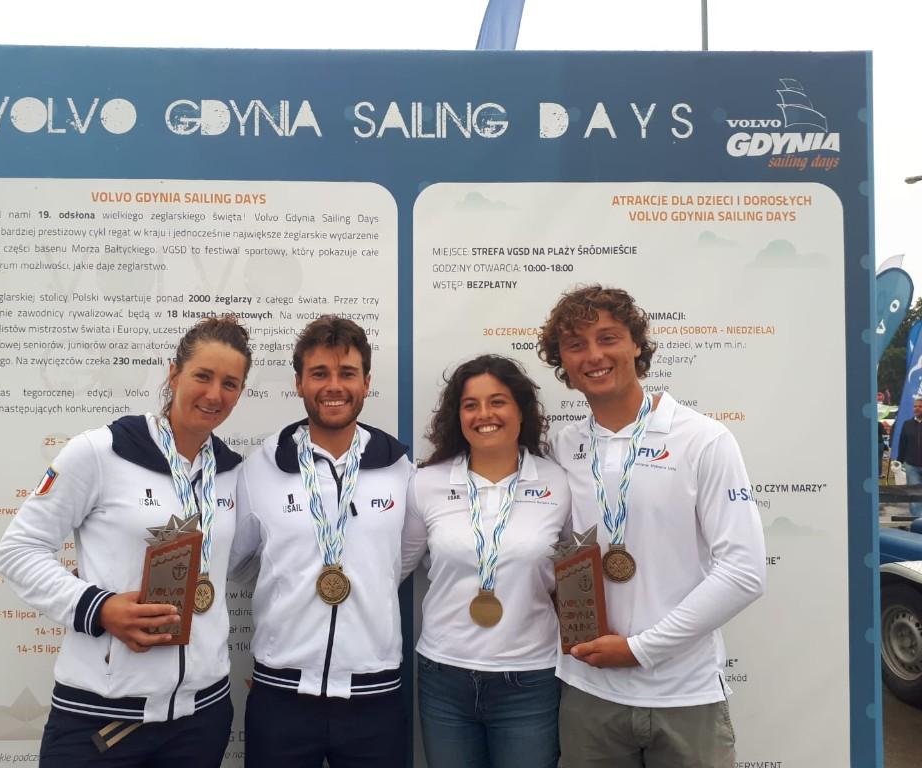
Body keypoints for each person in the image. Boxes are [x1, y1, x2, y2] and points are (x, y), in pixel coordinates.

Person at [0, 316, 252, 767]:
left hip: (201, 716)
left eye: (230, 383)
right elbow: (18, 550)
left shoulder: (232, 473)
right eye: (202, 376)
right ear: (173, 374)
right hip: (101, 719)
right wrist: (98, 607)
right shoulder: (100, 452)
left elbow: (245, 562)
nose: (215, 394)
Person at [537, 285, 766, 768]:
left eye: (608, 338)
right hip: (588, 693)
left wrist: (641, 650)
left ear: (637, 345)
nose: (594, 355)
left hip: (685, 696)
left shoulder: (704, 440)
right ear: (562, 361)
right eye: (576, 344)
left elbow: (744, 571)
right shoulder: (563, 445)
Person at [232, 315, 413, 768]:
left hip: (374, 695)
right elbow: (232, 560)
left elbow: (401, 559)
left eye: (347, 373)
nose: (334, 386)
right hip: (281, 696)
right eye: (320, 373)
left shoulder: (400, 468)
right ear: (299, 382)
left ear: (367, 382)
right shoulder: (261, 467)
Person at [401, 355, 570, 768]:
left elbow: (576, 574)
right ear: (457, 415)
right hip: (444, 677)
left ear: (520, 410)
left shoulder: (559, 482)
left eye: (498, 401)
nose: (484, 415)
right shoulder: (427, 484)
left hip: (530, 679)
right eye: (470, 404)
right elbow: (392, 569)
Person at [896, 397, 922, 517]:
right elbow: (902, 443)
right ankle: (917, 520)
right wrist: (899, 462)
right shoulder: (907, 424)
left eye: (920, 406)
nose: (916, 408)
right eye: (915, 406)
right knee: (914, 494)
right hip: (912, 466)